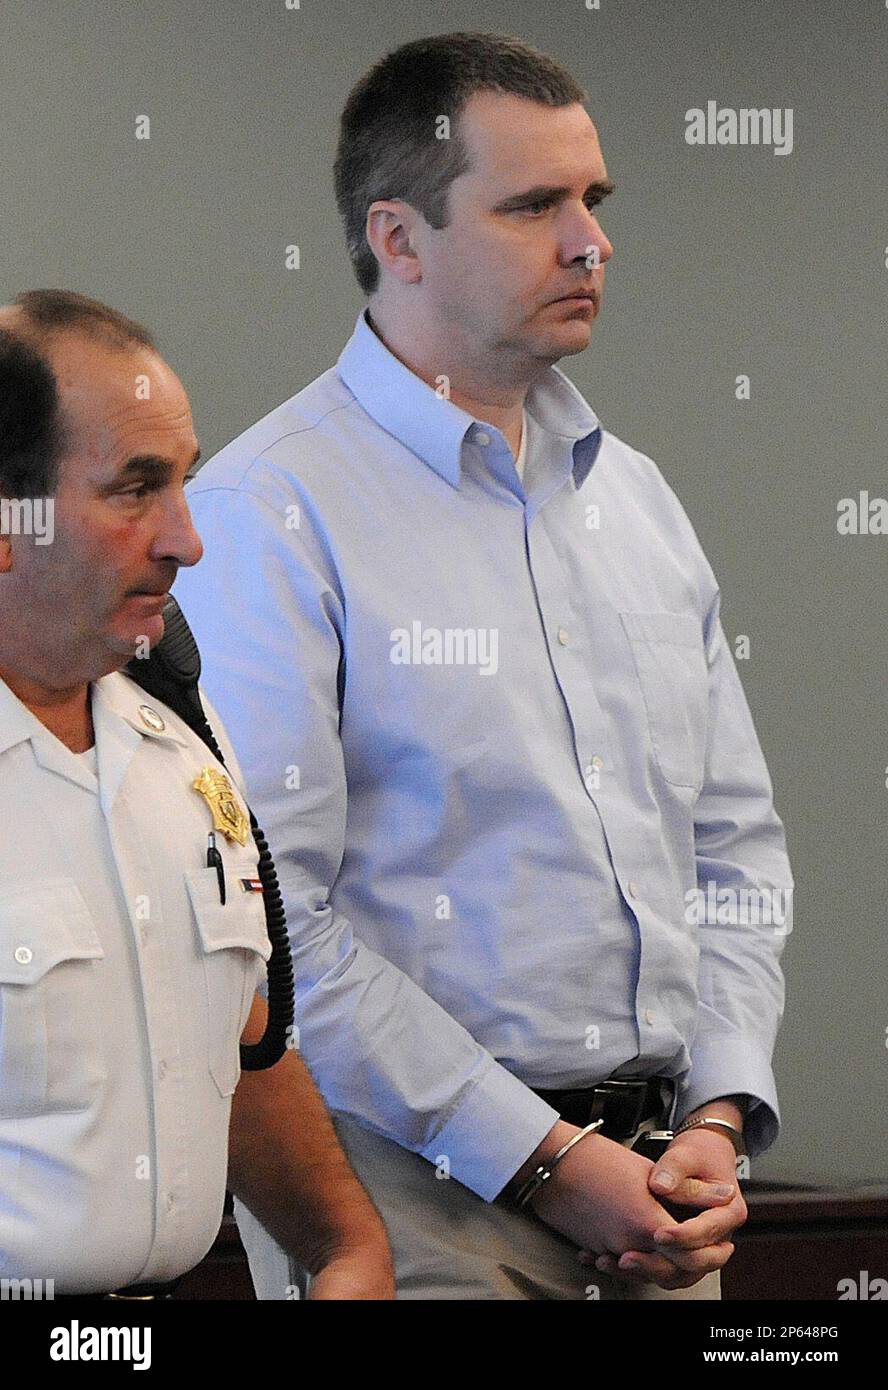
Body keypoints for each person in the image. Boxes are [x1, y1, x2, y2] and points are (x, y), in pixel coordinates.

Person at [175, 31, 794, 1301]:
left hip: (671, 1196)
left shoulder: (640, 501)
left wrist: (720, 1118)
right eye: (535, 205)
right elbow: (272, 921)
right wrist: (548, 1159)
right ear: (397, 238)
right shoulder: (266, 510)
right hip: (412, 1206)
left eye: (594, 200)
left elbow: (733, 847)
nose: (590, 242)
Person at [0, 289, 394, 1299]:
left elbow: (228, 1032)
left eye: (185, 482)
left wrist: (347, 1242)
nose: (186, 537)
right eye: (136, 489)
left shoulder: (176, 737)